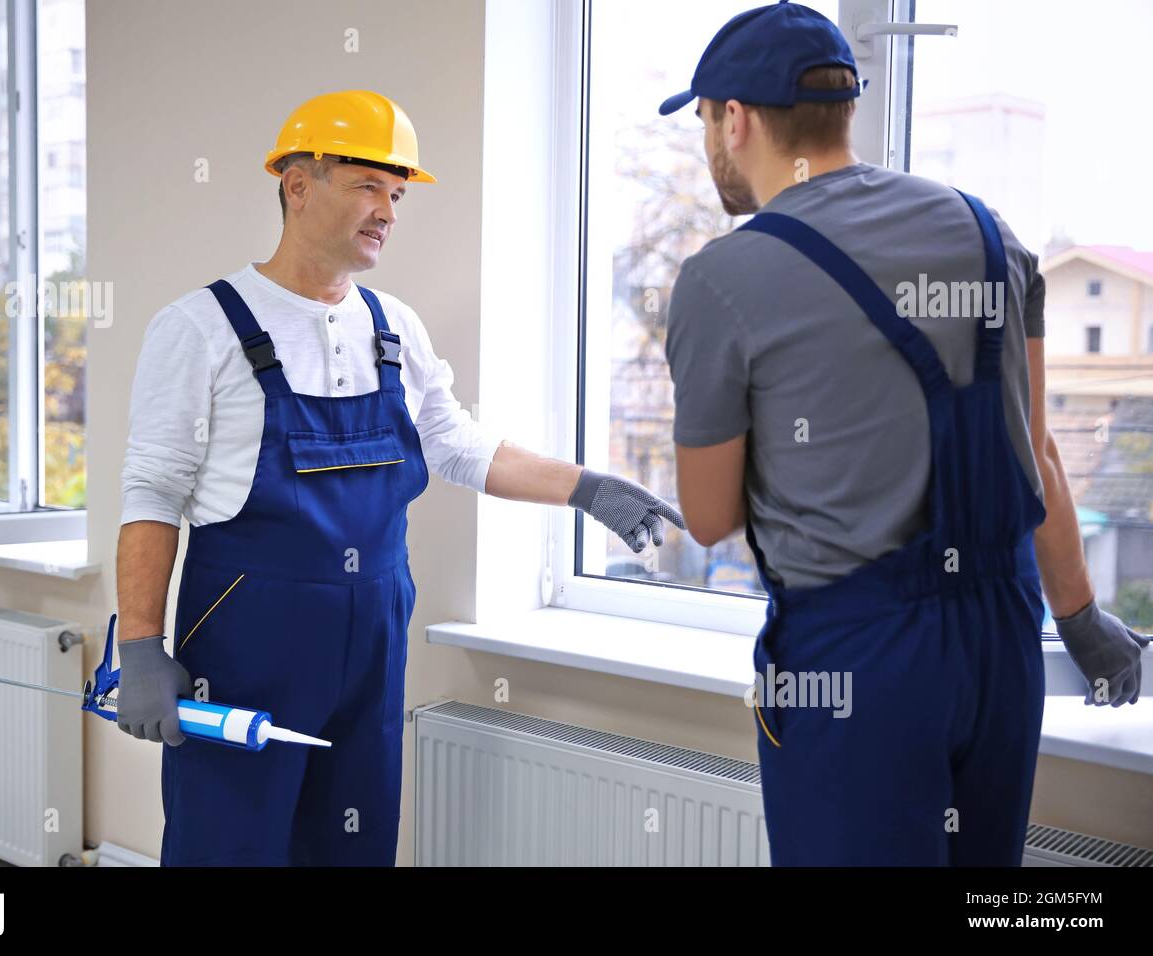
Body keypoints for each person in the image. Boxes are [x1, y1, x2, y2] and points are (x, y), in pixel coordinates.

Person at [114, 89, 684, 866]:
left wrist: (586, 488)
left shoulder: (392, 327)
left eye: (397, 193)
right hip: (246, 643)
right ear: (298, 183)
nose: (387, 210)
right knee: (230, 845)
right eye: (367, 186)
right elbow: (153, 491)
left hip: (372, 643)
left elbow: (458, 445)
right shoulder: (200, 326)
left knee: (354, 842)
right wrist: (144, 648)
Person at [661, 1, 1147, 865]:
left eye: (703, 121)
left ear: (735, 120)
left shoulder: (722, 277)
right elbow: (1033, 453)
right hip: (1001, 644)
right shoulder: (990, 233)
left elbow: (708, 518)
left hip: (854, 661)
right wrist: (1079, 618)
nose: (707, 145)